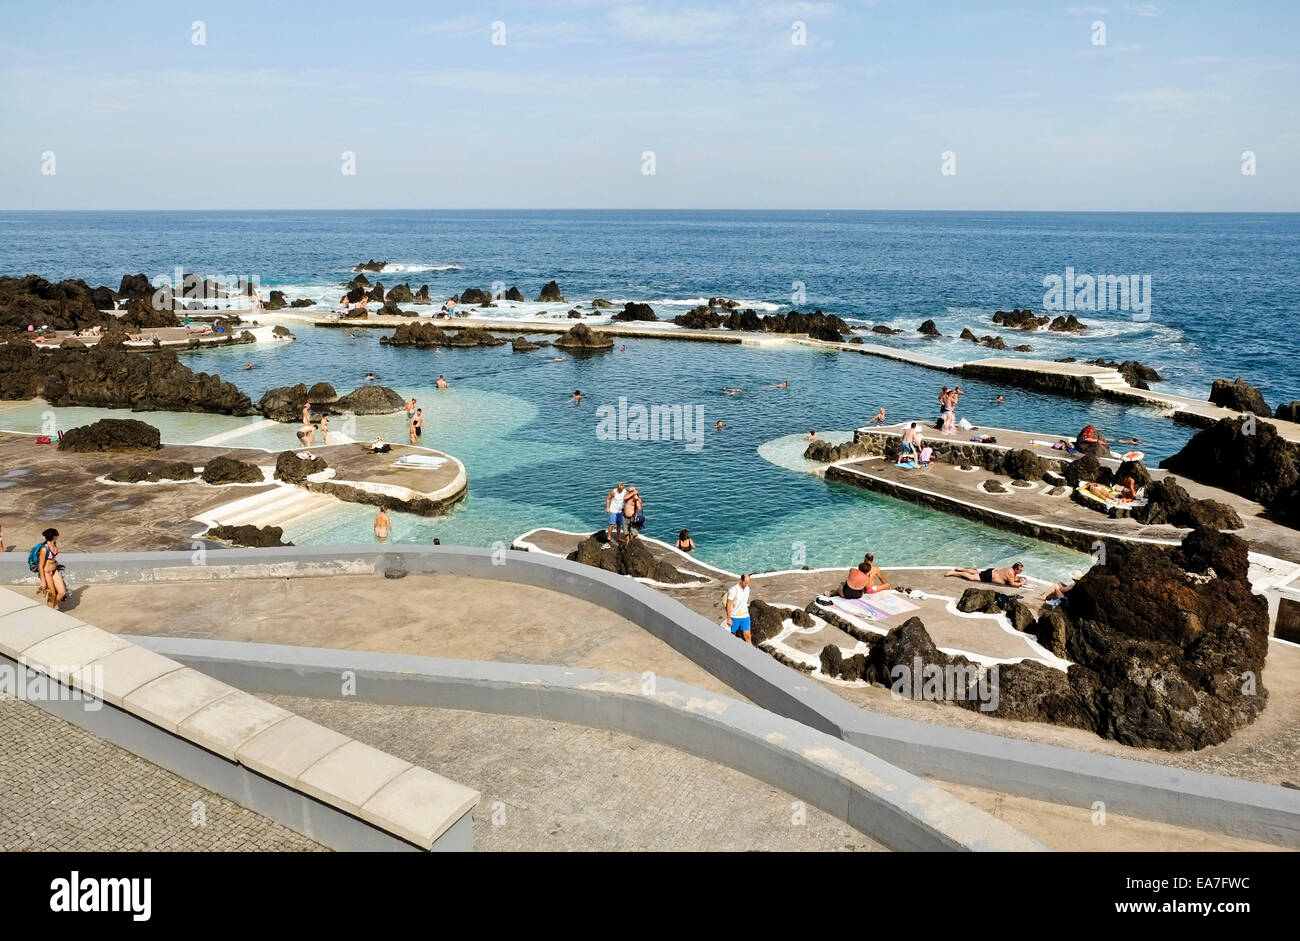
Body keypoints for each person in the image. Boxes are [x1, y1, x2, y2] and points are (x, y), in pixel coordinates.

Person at [34, 528, 67, 609]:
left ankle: (50, 610)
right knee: (52, 595)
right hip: (46, 572)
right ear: (55, 536)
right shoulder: (44, 549)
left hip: (54, 571)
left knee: (62, 592)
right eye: (57, 534)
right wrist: (43, 581)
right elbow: (40, 566)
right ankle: (50, 611)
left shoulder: (54, 545)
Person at [945, 562, 1026, 587]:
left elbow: (1013, 579)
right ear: (1016, 569)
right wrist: (1021, 583)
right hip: (990, 576)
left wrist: (1019, 580)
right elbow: (1012, 583)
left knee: (977, 572)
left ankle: (961, 568)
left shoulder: (1011, 570)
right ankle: (954, 572)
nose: (1020, 572)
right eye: (1020, 571)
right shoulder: (1010, 572)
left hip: (992, 571)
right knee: (972, 577)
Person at [725, 574, 753, 644]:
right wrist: (729, 618)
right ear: (741, 580)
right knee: (732, 636)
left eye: (748, 582)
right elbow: (728, 604)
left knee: (748, 636)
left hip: (745, 616)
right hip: (734, 617)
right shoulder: (734, 590)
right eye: (745, 583)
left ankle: (751, 652)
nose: (746, 584)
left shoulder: (747, 589)